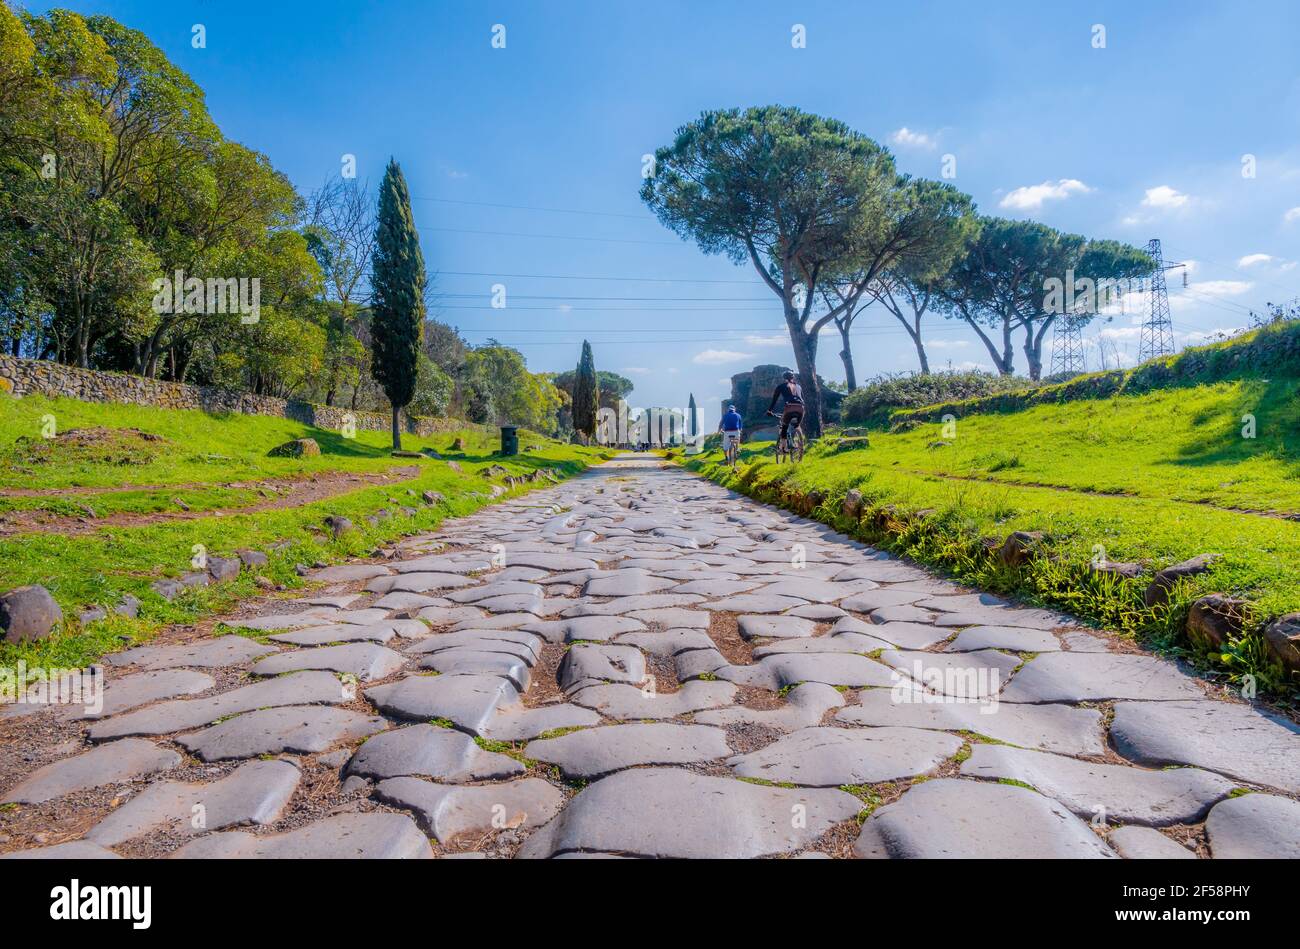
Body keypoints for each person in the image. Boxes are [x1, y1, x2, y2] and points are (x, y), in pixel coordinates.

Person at [766, 370, 805, 443]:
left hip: (789, 408)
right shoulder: (799, 386)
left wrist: (769, 411)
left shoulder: (781, 386)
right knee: (796, 425)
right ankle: (799, 442)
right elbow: (803, 398)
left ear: (784, 378)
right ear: (793, 377)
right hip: (801, 408)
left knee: (784, 426)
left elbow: (774, 400)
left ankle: (784, 448)